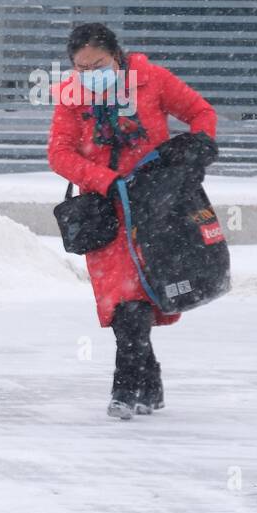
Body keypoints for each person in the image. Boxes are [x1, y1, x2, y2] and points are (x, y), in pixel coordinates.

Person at [47, 22, 219, 420]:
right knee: (123, 298)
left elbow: (199, 112)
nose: (90, 75)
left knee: (143, 292)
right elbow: (60, 153)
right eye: (81, 68)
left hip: (156, 208)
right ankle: (132, 384)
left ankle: (138, 382)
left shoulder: (151, 81)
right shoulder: (72, 98)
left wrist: (196, 150)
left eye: (99, 64)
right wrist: (105, 180)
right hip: (105, 213)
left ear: (117, 57)